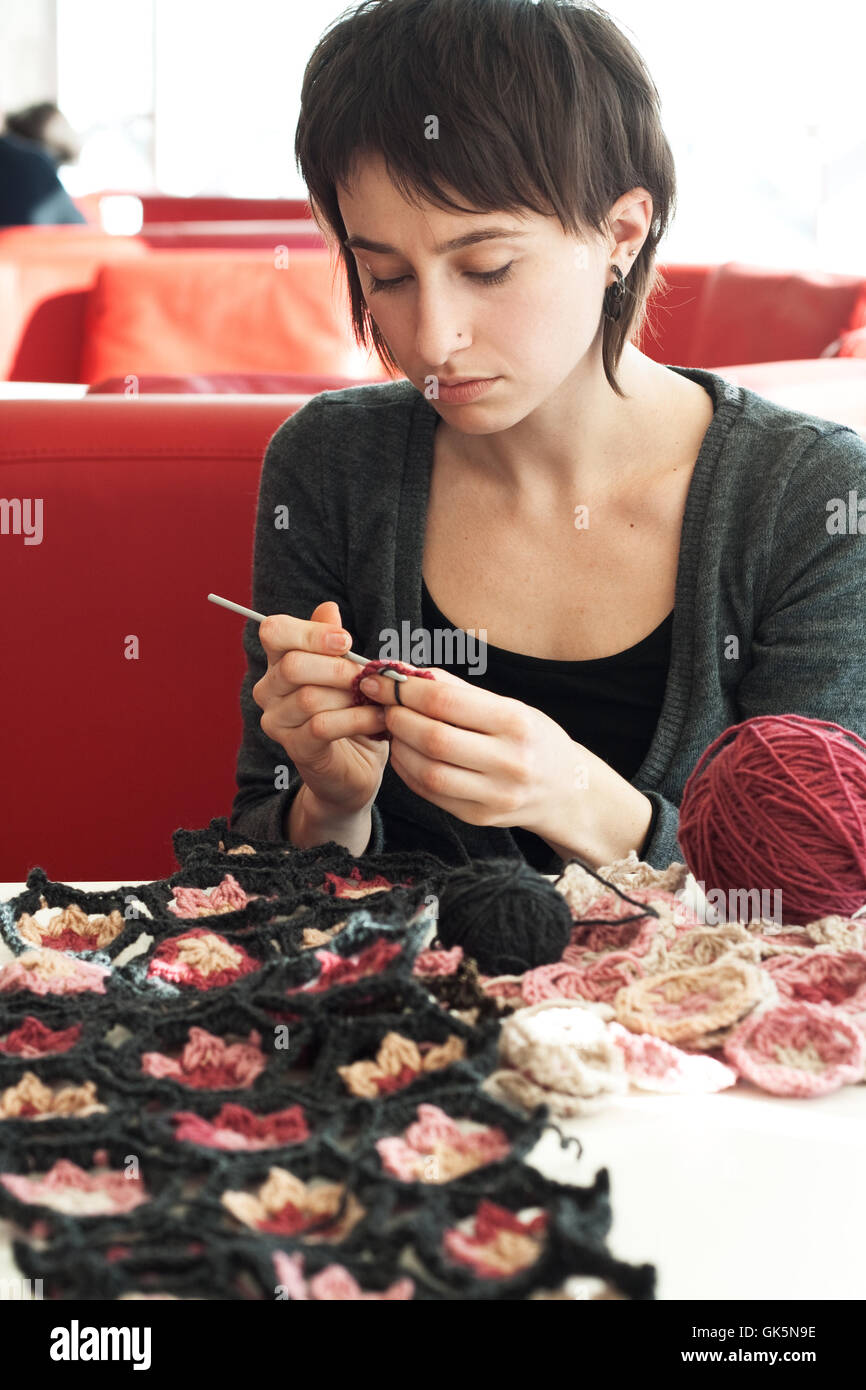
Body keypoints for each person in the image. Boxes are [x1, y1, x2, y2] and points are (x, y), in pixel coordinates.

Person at [229, 0, 866, 875]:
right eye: (386, 275)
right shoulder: (333, 465)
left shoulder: (809, 496)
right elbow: (251, 868)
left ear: (621, 234)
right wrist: (331, 803)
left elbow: (827, 881)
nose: (433, 338)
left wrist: (584, 801)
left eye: (486, 268)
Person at [0, 100, 86, 226]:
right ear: (48, 128)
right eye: (64, 124)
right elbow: (80, 232)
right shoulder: (36, 168)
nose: (74, 133)